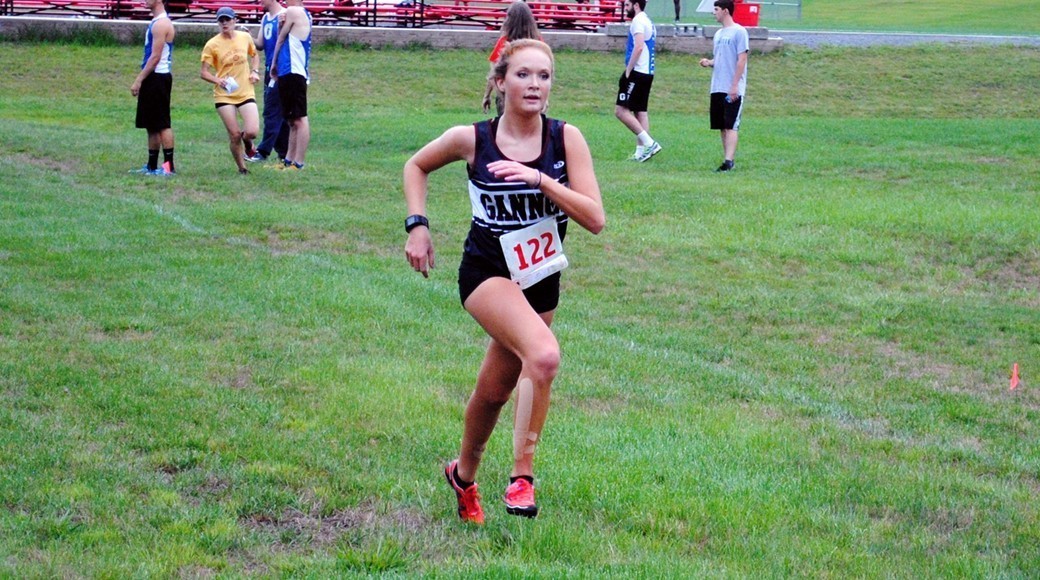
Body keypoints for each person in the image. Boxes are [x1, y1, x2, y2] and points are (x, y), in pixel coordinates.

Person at [403, 39, 605, 524]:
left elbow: (595, 219)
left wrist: (539, 181)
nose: (535, 84)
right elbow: (416, 165)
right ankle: (522, 478)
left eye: (544, 76)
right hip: (487, 273)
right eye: (523, 75)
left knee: (495, 390)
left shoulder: (565, 139)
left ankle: (463, 475)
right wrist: (418, 225)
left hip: (540, 276)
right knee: (544, 354)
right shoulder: (472, 138)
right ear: (500, 83)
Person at [200, 7, 261, 175]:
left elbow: (255, 55)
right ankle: (242, 168)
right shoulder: (212, 44)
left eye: (227, 19)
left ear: (235, 20)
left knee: (252, 131)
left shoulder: (245, 37)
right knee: (234, 135)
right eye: (221, 20)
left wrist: (255, 71)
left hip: (245, 91)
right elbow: (203, 72)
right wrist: (218, 80)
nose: (224, 23)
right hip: (224, 94)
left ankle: (248, 143)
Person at [699, 0, 748, 172]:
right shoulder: (718, 34)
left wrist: (734, 86)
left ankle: (729, 161)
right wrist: (709, 62)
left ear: (726, 11)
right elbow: (721, 59)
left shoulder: (739, 32)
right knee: (722, 124)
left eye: (716, 9)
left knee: (731, 124)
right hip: (717, 86)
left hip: (732, 87)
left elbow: (741, 60)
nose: (714, 13)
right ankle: (726, 159)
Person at [130, 0, 176, 176]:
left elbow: (155, 57)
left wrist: (139, 80)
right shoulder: (156, 22)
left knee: (163, 123)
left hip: (157, 77)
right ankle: (151, 166)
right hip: (153, 77)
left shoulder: (162, 24)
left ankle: (168, 167)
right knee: (152, 124)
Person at [615, 0, 661, 163]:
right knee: (640, 111)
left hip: (638, 72)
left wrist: (628, 70)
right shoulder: (647, 20)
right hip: (647, 72)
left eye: (627, 5)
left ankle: (650, 144)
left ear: (635, 5)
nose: (625, 8)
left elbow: (639, 46)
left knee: (620, 111)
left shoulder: (638, 21)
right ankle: (641, 152)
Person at [270, 0, 312, 171]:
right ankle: (288, 159)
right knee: (291, 120)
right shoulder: (298, 13)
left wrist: (273, 63)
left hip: (294, 70)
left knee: (300, 119)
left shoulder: (294, 10)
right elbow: (284, 35)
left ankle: (299, 162)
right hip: (288, 70)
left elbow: (280, 39)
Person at [247, 0, 290, 164]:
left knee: (271, 111)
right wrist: (248, 37)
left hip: (279, 70)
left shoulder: (283, 16)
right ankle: (284, 152)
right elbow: (260, 44)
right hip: (268, 68)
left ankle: (263, 151)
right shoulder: (266, 17)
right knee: (280, 113)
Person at [482, 1, 541, 115]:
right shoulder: (537, 42)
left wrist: (487, 95)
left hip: (507, 96)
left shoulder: (504, 43)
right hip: (532, 96)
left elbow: (495, 71)